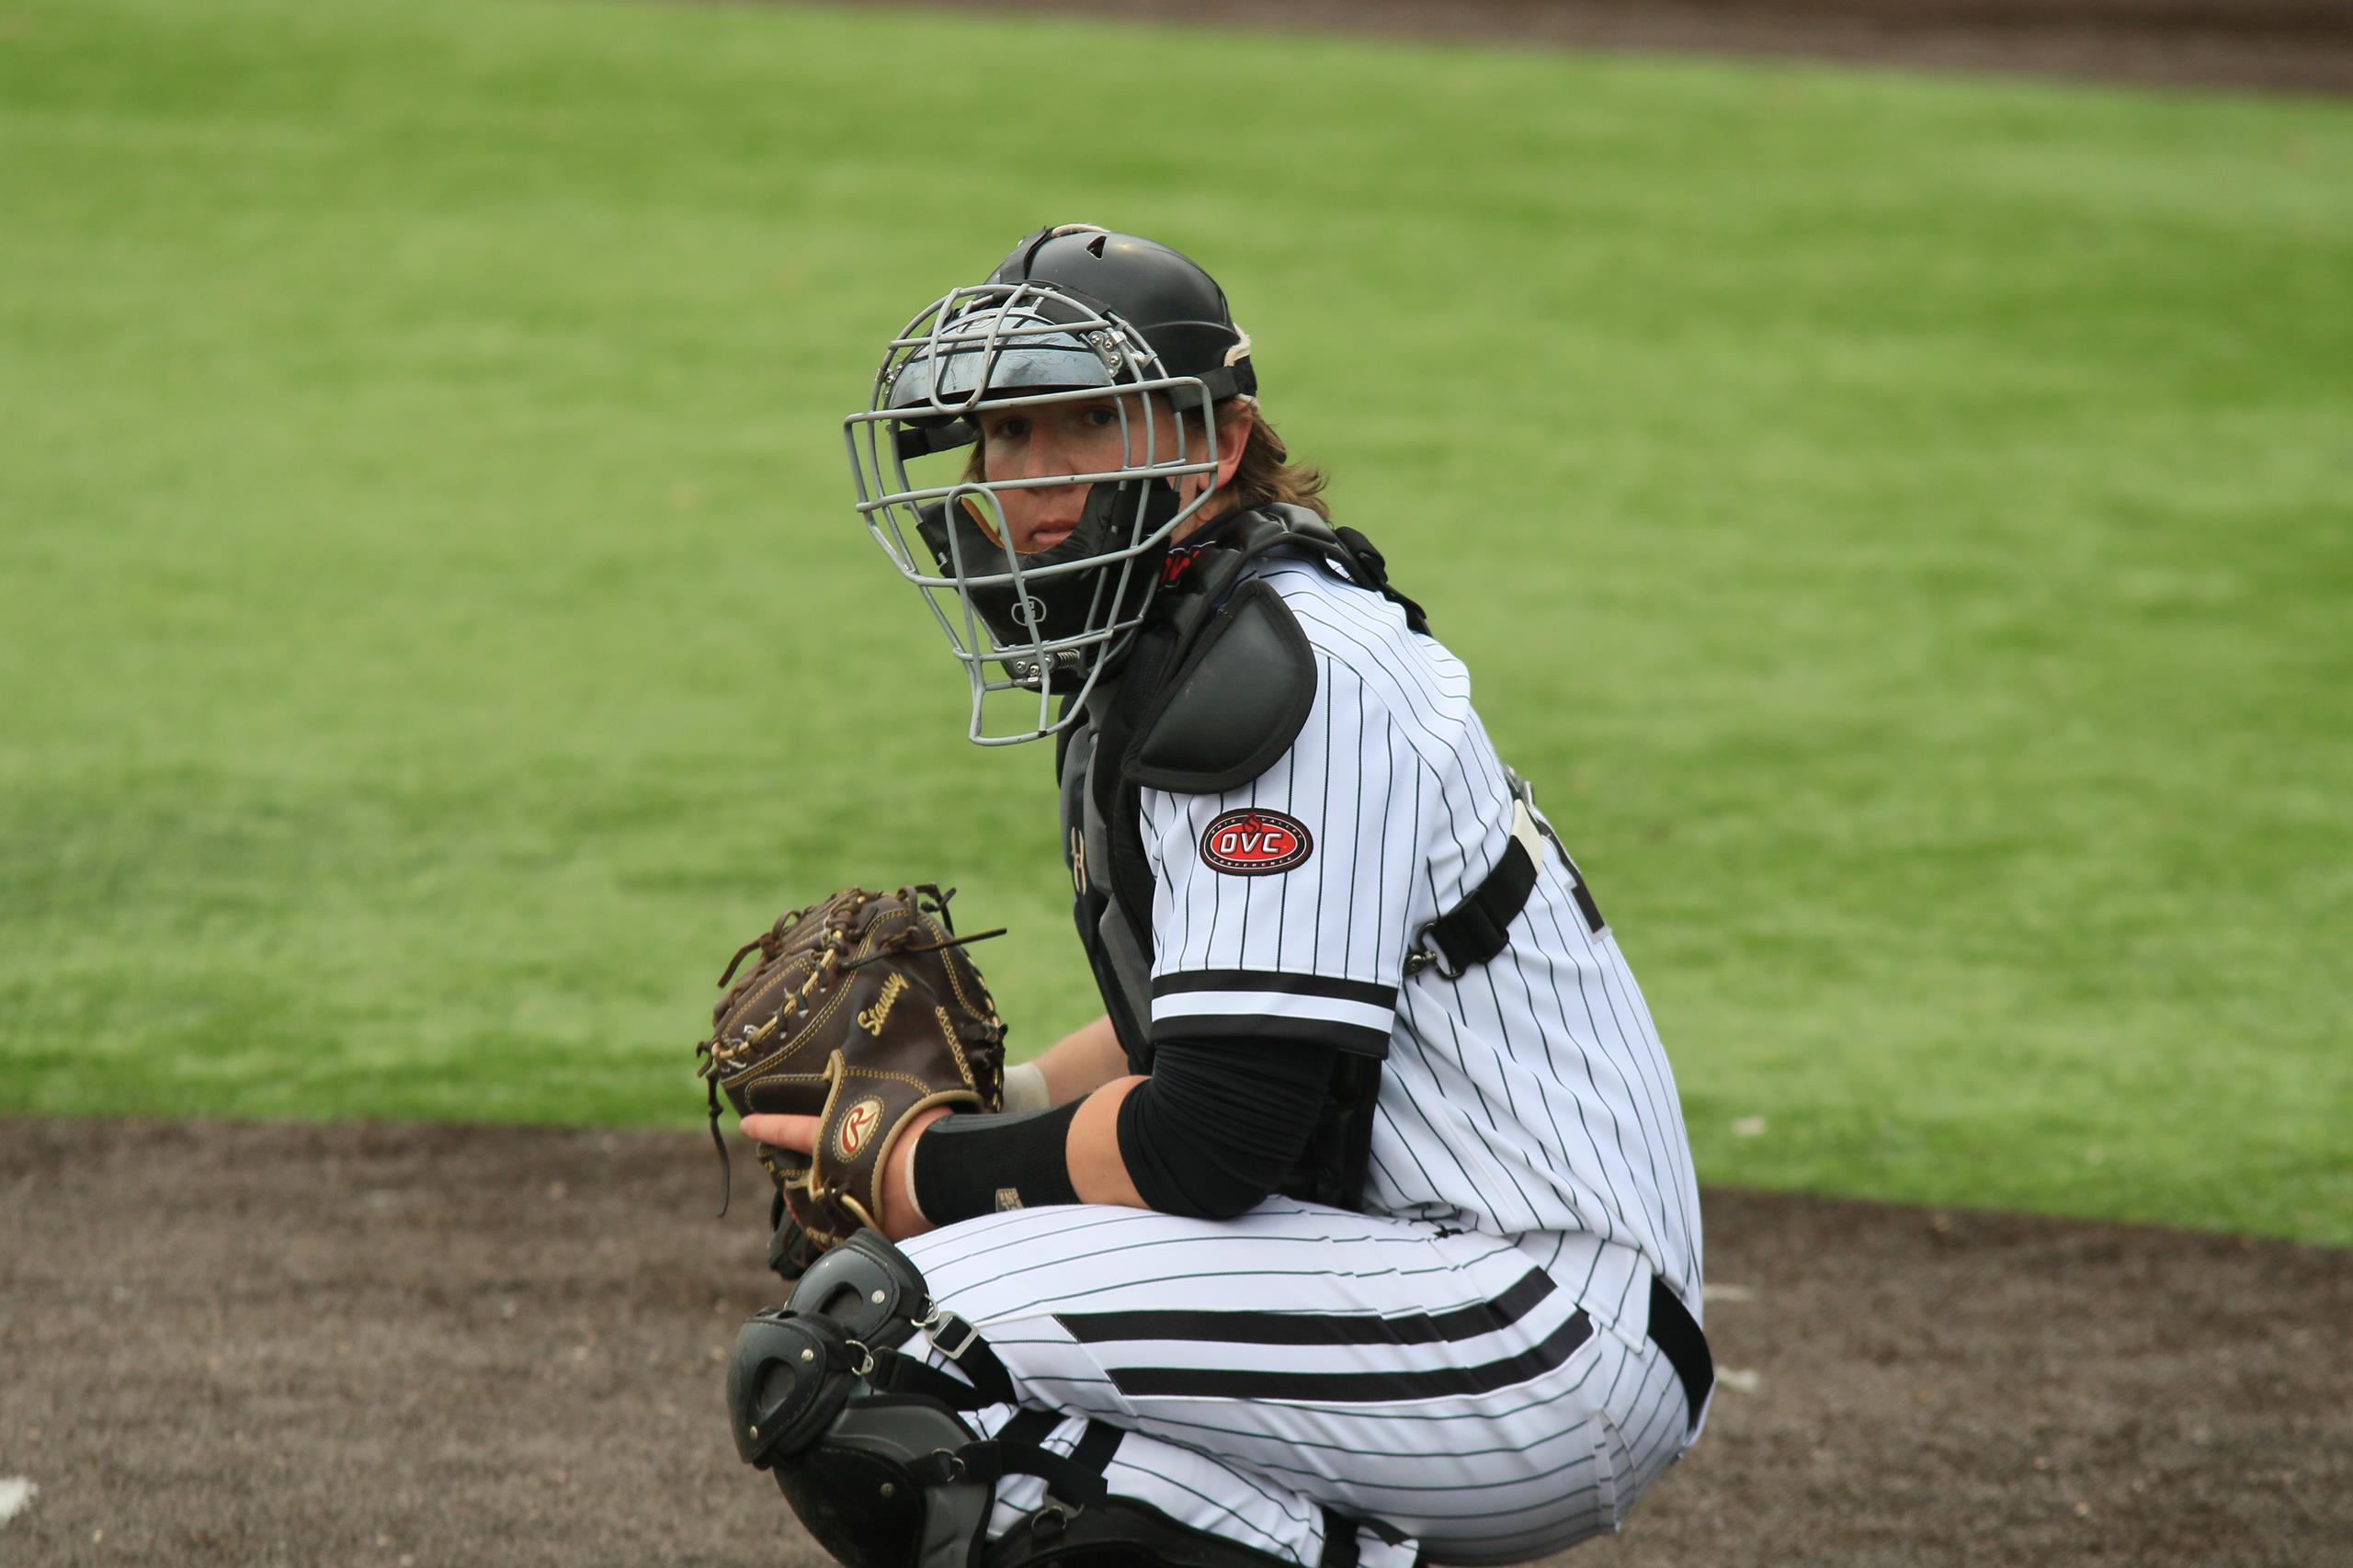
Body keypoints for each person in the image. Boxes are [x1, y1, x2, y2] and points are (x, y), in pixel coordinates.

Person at [729, 225, 1710, 1568]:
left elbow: (1215, 1135)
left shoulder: (1286, 677)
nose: (1036, 478)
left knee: (884, 1346)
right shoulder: (1192, 643)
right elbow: (1210, 1030)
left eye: (1088, 421)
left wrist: (916, 1171)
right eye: (1004, 434)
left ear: (1217, 440)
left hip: (1530, 1327)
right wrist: (998, 1109)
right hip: (1441, 1283)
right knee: (946, 1343)